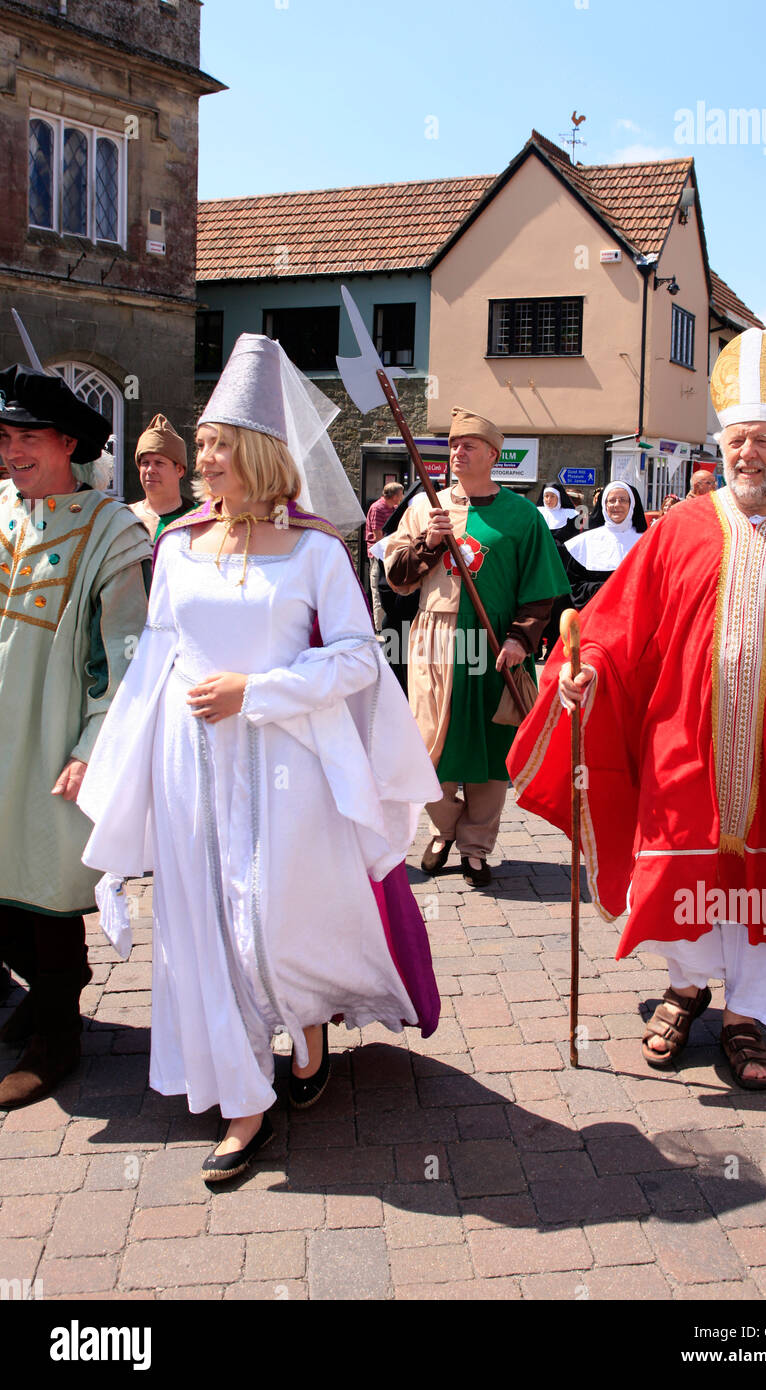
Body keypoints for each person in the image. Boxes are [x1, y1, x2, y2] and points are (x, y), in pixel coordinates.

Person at [79, 334, 441, 1182]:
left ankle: (306, 1027)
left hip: (288, 769)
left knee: (275, 918)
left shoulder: (315, 552)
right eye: (200, 446)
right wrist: (118, 764)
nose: (203, 461)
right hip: (191, 765)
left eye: (216, 446)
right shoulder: (176, 548)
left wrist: (257, 689)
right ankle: (245, 1104)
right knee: (202, 924)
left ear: (260, 454)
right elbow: (157, 656)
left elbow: (356, 657)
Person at [508, 328, 766, 1091]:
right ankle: (684, 987)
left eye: (763, 442)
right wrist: (586, 675)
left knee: (764, 882)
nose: (748, 456)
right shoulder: (680, 528)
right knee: (680, 873)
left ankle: (745, 1016)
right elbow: (615, 630)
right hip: (683, 751)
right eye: (736, 441)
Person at [0, 364, 151, 1108]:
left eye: (28, 437)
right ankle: (38, 997)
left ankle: (55, 1035)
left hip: (55, 737)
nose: (13, 452)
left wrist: (95, 747)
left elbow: (125, 656)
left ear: (68, 442)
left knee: (50, 892)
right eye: (4, 437)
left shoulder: (111, 530)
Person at [385, 407, 569, 887]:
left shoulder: (522, 516)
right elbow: (398, 579)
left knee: (490, 752)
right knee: (428, 747)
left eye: (469, 445)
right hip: (436, 642)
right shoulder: (425, 505)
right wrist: (429, 543)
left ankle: (475, 846)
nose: (457, 452)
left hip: (494, 645)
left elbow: (540, 590)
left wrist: (519, 638)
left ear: (492, 454)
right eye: (453, 445)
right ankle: (445, 830)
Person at [563, 481, 647, 608]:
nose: (617, 504)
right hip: (595, 615)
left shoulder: (646, 541)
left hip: (635, 615)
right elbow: (573, 586)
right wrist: (607, 590)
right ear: (604, 505)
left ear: (632, 505)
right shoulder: (584, 542)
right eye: (612, 500)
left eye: (623, 500)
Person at [129, 414, 196, 543]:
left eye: (159, 463)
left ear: (179, 470)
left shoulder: (198, 519)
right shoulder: (125, 518)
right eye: (145, 463)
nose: (150, 470)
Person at [536, 482, 580, 660]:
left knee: (557, 611)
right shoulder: (536, 514)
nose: (548, 500)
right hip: (539, 569)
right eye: (546, 496)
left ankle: (554, 649)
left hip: (561, 568)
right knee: (537, 609)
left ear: (559, 498)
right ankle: (535, 649)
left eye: (552, 496)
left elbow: (574, 542)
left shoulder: (572, 516)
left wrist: (552, 546)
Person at [365, 481, 404, 632]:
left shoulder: (394, 508)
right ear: (394, 495)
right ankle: (379, 628)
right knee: (378, 590)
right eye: (401, 494)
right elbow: (377, 536)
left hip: (391, 554)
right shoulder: (377, 508)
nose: (402, 497)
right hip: (379, 554)